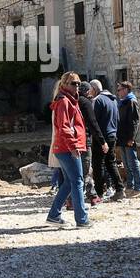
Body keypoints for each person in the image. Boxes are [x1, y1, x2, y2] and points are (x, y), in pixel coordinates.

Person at [47, 72, 90, 227]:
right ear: (64, 85)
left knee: (68, 183)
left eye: (79, 83)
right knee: (78, 181)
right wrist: (73, 147)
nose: (77, 86)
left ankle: (53, 215)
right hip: (67, 148)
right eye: (73, 83)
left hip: (64, 147)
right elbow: (65, 127)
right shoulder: (65, 101)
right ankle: (82, 220)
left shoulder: (69, 100)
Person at [89, 80, 124, 200]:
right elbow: (117, 118)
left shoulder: (97, 100)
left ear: (94, 89)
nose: (89, 92)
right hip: (112, 135)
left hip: (101, 137)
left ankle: (99, 193)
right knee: (111, 163)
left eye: (90, 89)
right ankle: (119, 189)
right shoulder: (113, 99)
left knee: (98, 164)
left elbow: (94, 122)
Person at [115, 81, 140, 198]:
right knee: (126, 164)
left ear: (126, 90)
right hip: (122, 138)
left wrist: (131, 138)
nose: (118, 92)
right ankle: (130, 187)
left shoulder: (131, 101)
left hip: (129, 138)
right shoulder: (122, 102)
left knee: (133, 163)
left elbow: (135, 122)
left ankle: (138, 188)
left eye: (119, 90)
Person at [76, 81, 99, 204]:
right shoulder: (85, 103)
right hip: (84, 140)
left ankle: (90, 195)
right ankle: (89, 196)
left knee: (77, 171)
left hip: (73, 141)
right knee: (86, 170)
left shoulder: (71, 101)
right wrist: (101, 141)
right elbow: (93, 123)